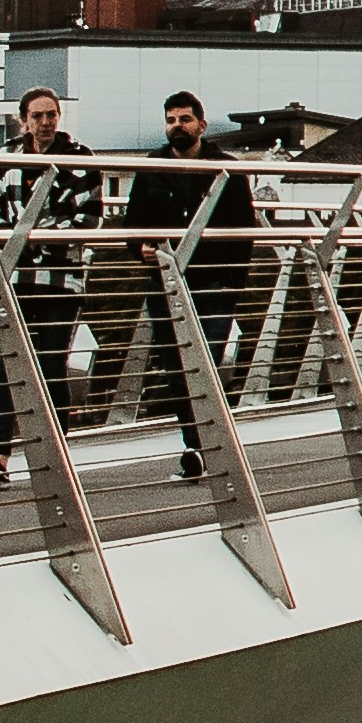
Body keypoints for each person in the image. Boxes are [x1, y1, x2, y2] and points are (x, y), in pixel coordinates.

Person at [0, 86, 98, 487]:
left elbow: (87, 218)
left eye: (51, 115)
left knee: (51, 364)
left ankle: (54, 455)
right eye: (37, 116)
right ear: (23, 119)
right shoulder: (5, 158)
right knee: (4, 364)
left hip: (61, 279)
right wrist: (23, 238)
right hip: (13, 277)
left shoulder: (80, 159)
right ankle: (0, 459)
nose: (45, 122)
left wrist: (28, 237)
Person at [122, 89, 240, 478]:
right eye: (172, 120)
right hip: (166, 282)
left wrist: (233, 284)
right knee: (176, 366)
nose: (178, 126)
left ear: (201, 125)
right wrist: (138, 247)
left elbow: (244, 232)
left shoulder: (228, 168)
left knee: (205, 360)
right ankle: (196, 444)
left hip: (213, 282)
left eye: (185, 119)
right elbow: (133, 223)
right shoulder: (152, 165)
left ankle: (211, 441)